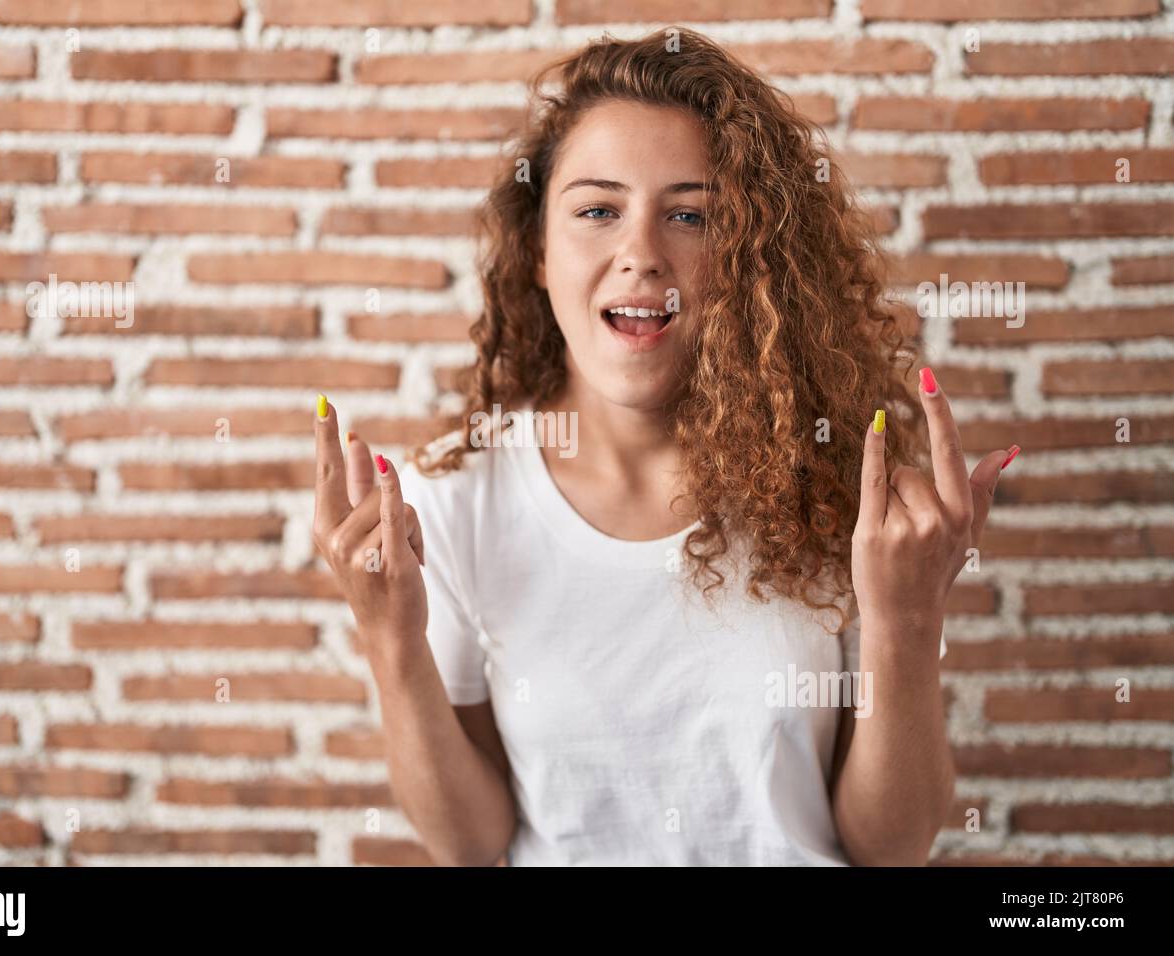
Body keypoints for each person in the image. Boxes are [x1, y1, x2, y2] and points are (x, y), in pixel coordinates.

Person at [311, 27, 1020, 866]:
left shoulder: (844, 492)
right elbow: (471, 843)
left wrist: (906, 620)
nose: (641, 254)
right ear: (539, 249)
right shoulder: (458, 501)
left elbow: (890, 847)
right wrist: (390, 641)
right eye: (598, 210)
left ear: (753, 260)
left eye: (690, 215)